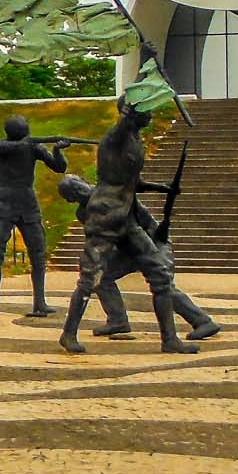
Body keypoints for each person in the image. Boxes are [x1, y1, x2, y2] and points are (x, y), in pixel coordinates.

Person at [59, 96, 197, 355]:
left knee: (159, 272)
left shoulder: (134, 140)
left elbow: (131, 181)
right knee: (90, 278)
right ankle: (68, 333)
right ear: (130, 113)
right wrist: (137, 95)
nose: (151, 115)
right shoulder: (116, 136)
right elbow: (124, 127)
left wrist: (164, 188)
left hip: (128, 216)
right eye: (146, 110)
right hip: (106, 214)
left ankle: (170, 339)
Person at [57, 175, 219, 341]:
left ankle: (202, 321)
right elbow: (103, 238)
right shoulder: (84, 213)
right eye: (74, 192)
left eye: (79, 186)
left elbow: (145, 221)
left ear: (84, 181)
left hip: (151, 243)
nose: (81, 191)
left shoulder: (113, 196)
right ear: (71, 199)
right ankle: (117, 320)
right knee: (102, 277)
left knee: (162, 284)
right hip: (127, 251)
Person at [0, 114, 69, 317]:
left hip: (27, 203)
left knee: (38, 253)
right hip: (3, 202)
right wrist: (23, 145)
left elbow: (59, 167)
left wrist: (57, 150)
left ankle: (40, 302)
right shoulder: (1, 147)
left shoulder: (33, 147)